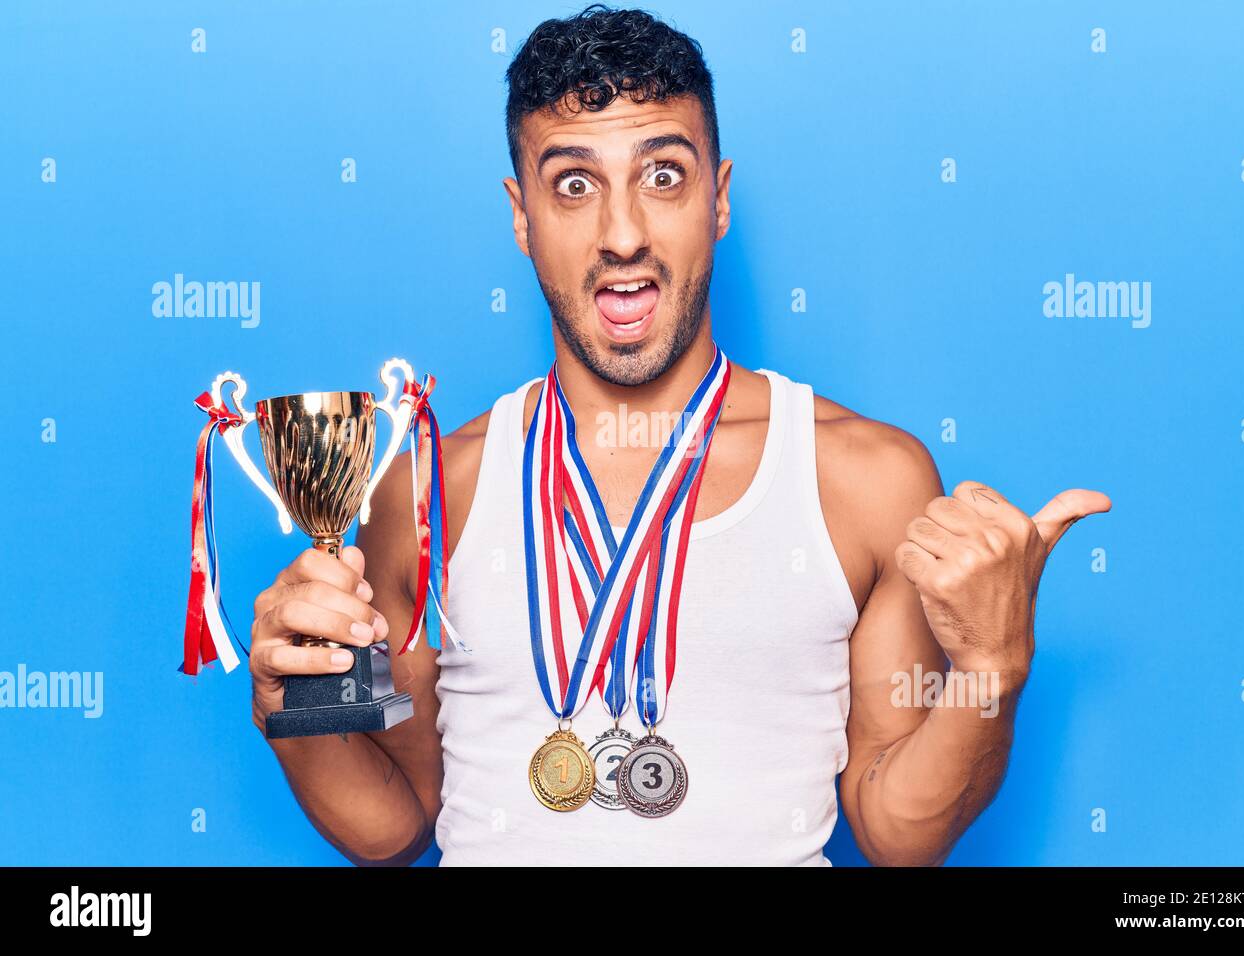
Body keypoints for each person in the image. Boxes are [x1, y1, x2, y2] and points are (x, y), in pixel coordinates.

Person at [247, 4, 1109, 866]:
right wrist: (294, 708)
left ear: (719, 198)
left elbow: (898, 833)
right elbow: (395, 826)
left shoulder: (863, 477)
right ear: (521, 216)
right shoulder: (428, 490)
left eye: (662, 175)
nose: (623, 235)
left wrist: (992, 667)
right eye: (574, 185)